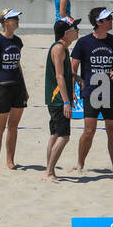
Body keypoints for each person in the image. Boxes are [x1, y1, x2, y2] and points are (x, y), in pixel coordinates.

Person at [71, 6, 113, 173]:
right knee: (89, 131)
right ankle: (80, 164)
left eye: (111, 18)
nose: (111, 21)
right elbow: (72, 68)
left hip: (110, 93)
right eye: (108, 19)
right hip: (91, 92)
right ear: (98, 22)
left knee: (112, 131)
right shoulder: (83, 42)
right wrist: (74, 86)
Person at [0, 8, 27, 171]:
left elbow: (18, 65)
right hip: (2, 87)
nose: (17, 20)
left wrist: (25, 88)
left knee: (14, 126)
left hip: (17, 86)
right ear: (6, 22)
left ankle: (10, 160)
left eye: (17, 18)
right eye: (14, 18)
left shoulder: (18, 41)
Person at [43, 16, 80, 182]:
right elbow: (59, 76)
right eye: (75, 29)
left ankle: (49, 170)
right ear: (66, 33)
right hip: (58, 99)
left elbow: (63, 73)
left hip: (56, 98)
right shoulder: (58, 48)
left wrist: (75, 77)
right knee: (64, 136)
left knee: (55, 134)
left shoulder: (63, 48)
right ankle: (49, 172)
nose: (77, 31)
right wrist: (66, 101)